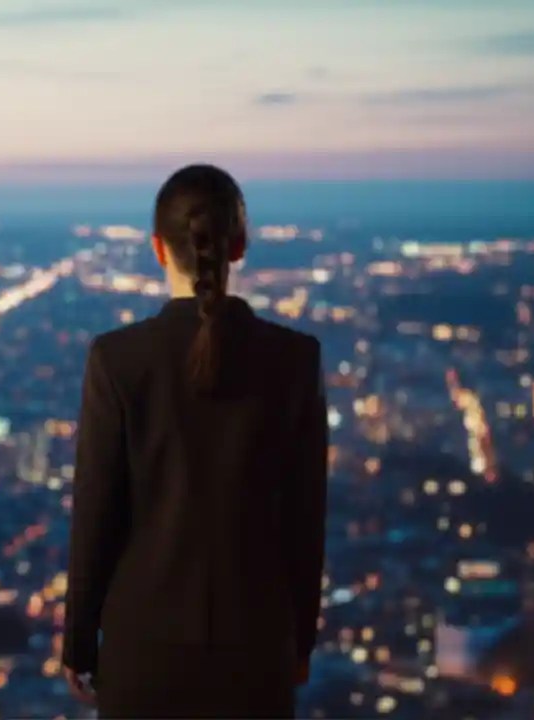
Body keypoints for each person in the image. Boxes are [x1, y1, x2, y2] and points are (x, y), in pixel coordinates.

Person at [62, 164, 328, 718]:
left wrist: (80, 642)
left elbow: (96, 515)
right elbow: (306, 522)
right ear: (239, 246)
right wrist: (300, 639)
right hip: (256, 648)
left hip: (143, 650)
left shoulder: (117, 360)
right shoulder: (295, 360)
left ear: (158, 249)